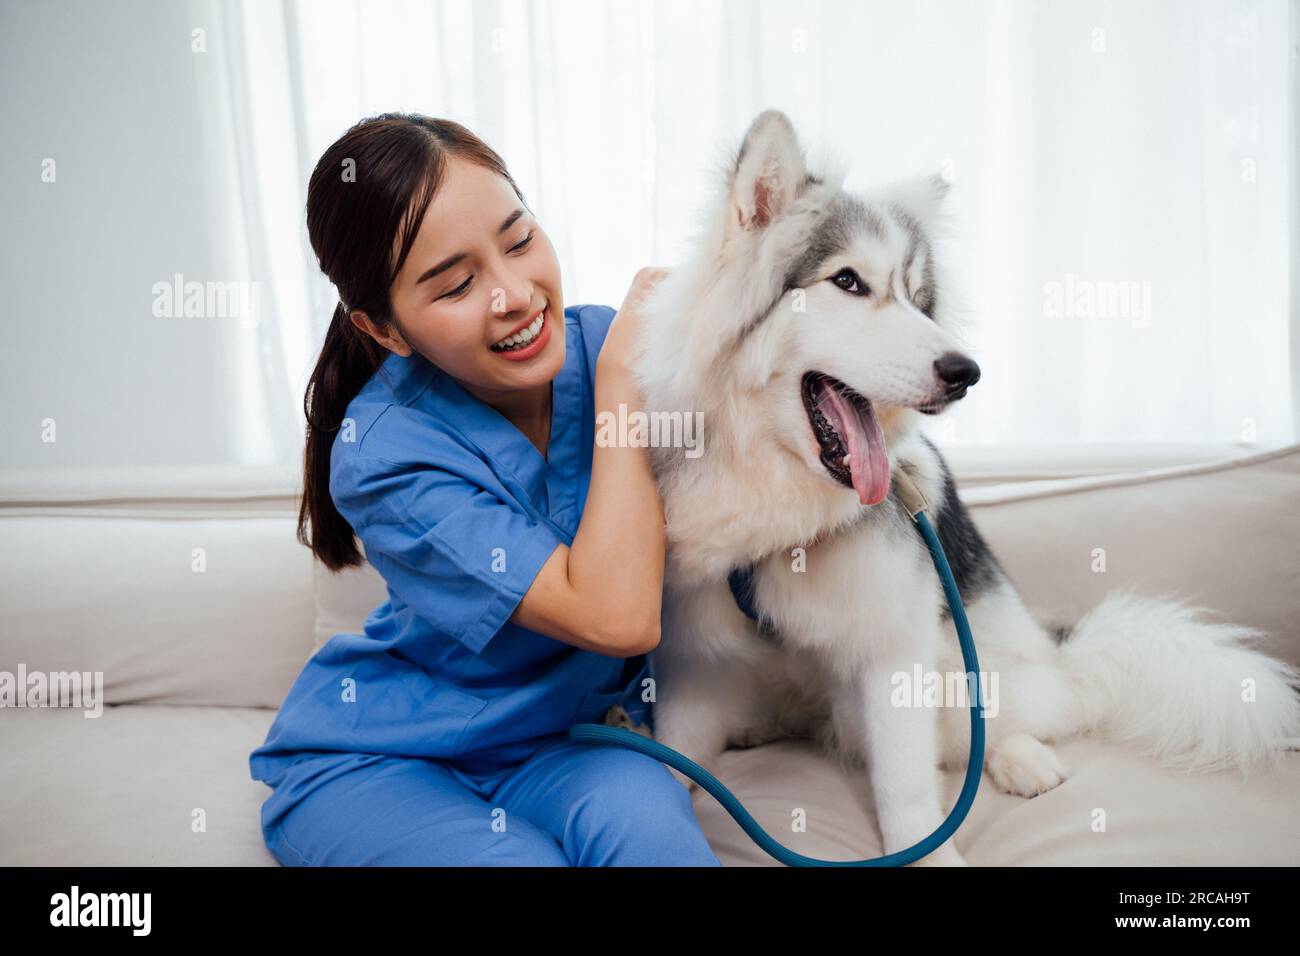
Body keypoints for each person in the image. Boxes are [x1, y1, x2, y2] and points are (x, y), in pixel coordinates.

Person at [248, 113, 720, 867]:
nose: (513, 295)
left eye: (520, 239)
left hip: (572, 743)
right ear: (386, 329)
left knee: (659, 849)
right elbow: (617, 618)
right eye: (457, 284)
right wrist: (621, 393)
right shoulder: (383, 456)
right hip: (384, 763)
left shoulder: (613, 344)